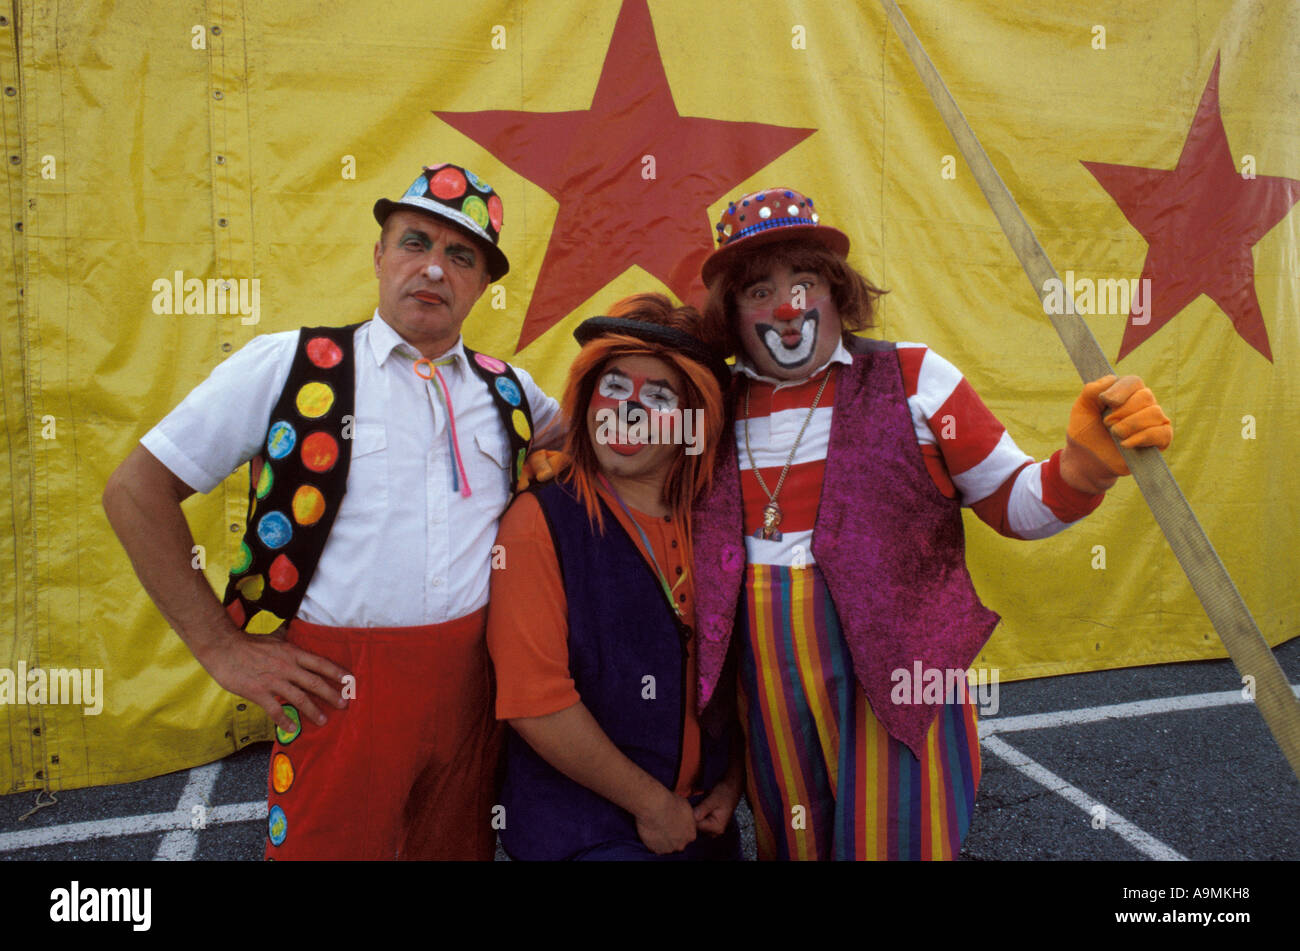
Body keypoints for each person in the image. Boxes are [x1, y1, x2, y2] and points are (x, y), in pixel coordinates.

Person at [690, 186, 1173, 860]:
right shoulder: (714, 405)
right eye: (758, 290)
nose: (786, 308)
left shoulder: (914, 377)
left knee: (894, 840)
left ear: (837, 292)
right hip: (768, 677)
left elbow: (1015, 502)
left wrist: (1082, 468)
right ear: (732, 317)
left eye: (804, 282)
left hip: (900, 667)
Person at [102, 163, 563, 860]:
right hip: (337, 690)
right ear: (379, 257)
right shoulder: (288, 364)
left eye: (460, 255)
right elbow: (134, 491)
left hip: (476, 687)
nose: (434, 270)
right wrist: (220, 647)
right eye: (415, 243)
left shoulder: (513, 391)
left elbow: (602, 447)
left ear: (483, 284)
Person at [486, 293, 746, 860]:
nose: (628, 410)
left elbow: (746, 671)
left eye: (657, 396)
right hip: (585, 831)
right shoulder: (540, 520)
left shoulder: (719, 521)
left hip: (701, 822)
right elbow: (536, 702)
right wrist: (652, 805)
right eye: (615, 387)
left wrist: (731, 784)